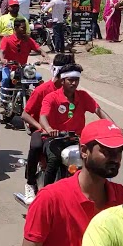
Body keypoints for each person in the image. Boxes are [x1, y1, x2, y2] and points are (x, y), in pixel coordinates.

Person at [20, 55, 76, 204]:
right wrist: (42, 127)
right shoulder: (42, 90)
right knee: (36, 146)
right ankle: (30, 183)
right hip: (43, 132)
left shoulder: (73, 93)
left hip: (65, 133)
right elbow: (25, 114)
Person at [39, 64, 112, 140]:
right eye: (70, 80)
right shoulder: (51, 97)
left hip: (78, 139)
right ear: (62, 81)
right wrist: (49, 129)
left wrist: (114, 127)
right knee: (36, 145)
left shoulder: (83, 96)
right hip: (56, 139)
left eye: (76, 80)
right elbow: (43, 116)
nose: (74, 83)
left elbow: (98, 110)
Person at [0, 15, 41, 85]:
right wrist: (3, 59)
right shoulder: (7, 39)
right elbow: (2, 51)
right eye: (22, 28)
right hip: (9, 68)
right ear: (16, 28)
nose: (25, 30)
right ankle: (4, 95)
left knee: (38, 77)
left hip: (23, 69)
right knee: (5, 79)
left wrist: (46, 56)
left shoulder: (28, 39)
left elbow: (38, 49)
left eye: (25, 28)